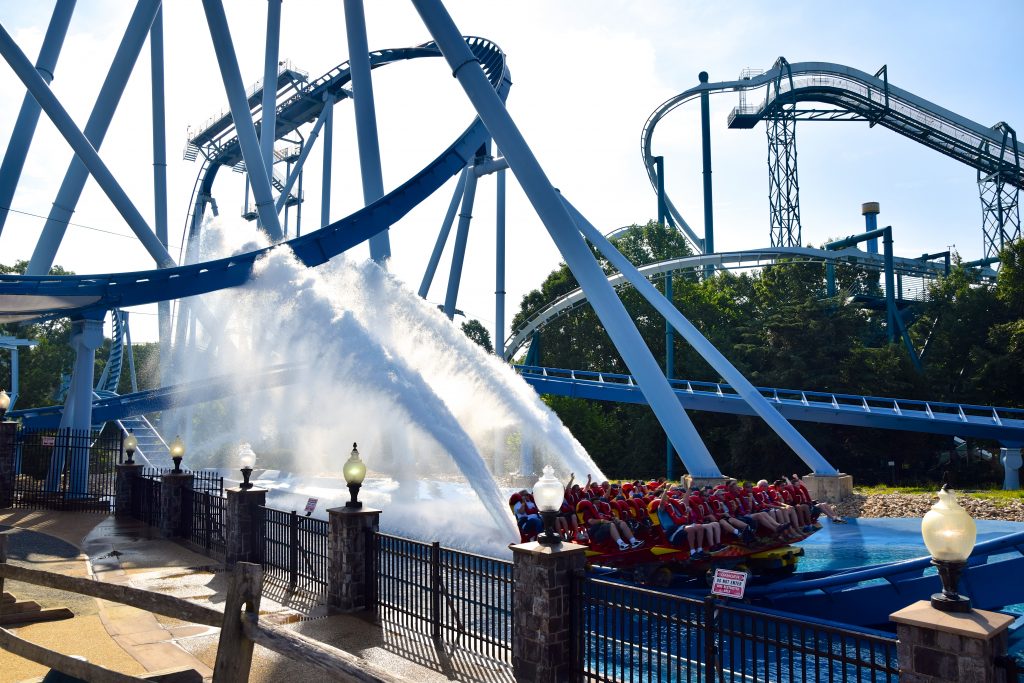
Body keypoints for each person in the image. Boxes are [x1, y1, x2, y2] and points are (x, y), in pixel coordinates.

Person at [577, 498, 644, 550]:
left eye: (599, 503)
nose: (598, 505)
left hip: (608, 527)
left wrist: (616, 519)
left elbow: (611, 517)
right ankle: (621, 544)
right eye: (596, 504)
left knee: (621, 523)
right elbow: (591, 521)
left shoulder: (603, 509)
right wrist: (603, 520)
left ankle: (633, 541)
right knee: (610, 525)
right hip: (596, 533)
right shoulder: (588, 512)